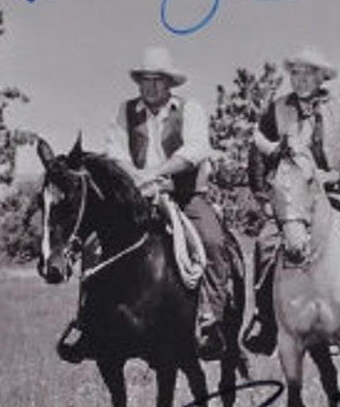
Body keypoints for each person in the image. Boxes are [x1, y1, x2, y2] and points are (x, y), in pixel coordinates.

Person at [244, 46, 340, 356]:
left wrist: (334, 174)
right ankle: (266, 321)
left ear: (321, 77)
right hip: (295, 198)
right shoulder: (276, 110)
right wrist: (264, 197)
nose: (301, 80)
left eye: (308, 73)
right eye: (296, 73)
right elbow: (257, 157)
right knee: (265, 244)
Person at [83, 45, 232, 361]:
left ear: (169, 83)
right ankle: (89, 323)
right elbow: (115, 150)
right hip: (135, 194)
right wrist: (135, 178)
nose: (149, 86)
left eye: (157, 80)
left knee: (213, 241)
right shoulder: (126, 112)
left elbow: (195, 150)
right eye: (144, 80)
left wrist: (156, 173)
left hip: (184, 194)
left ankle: (210, 318)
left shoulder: (188, 109)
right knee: (93, 245)